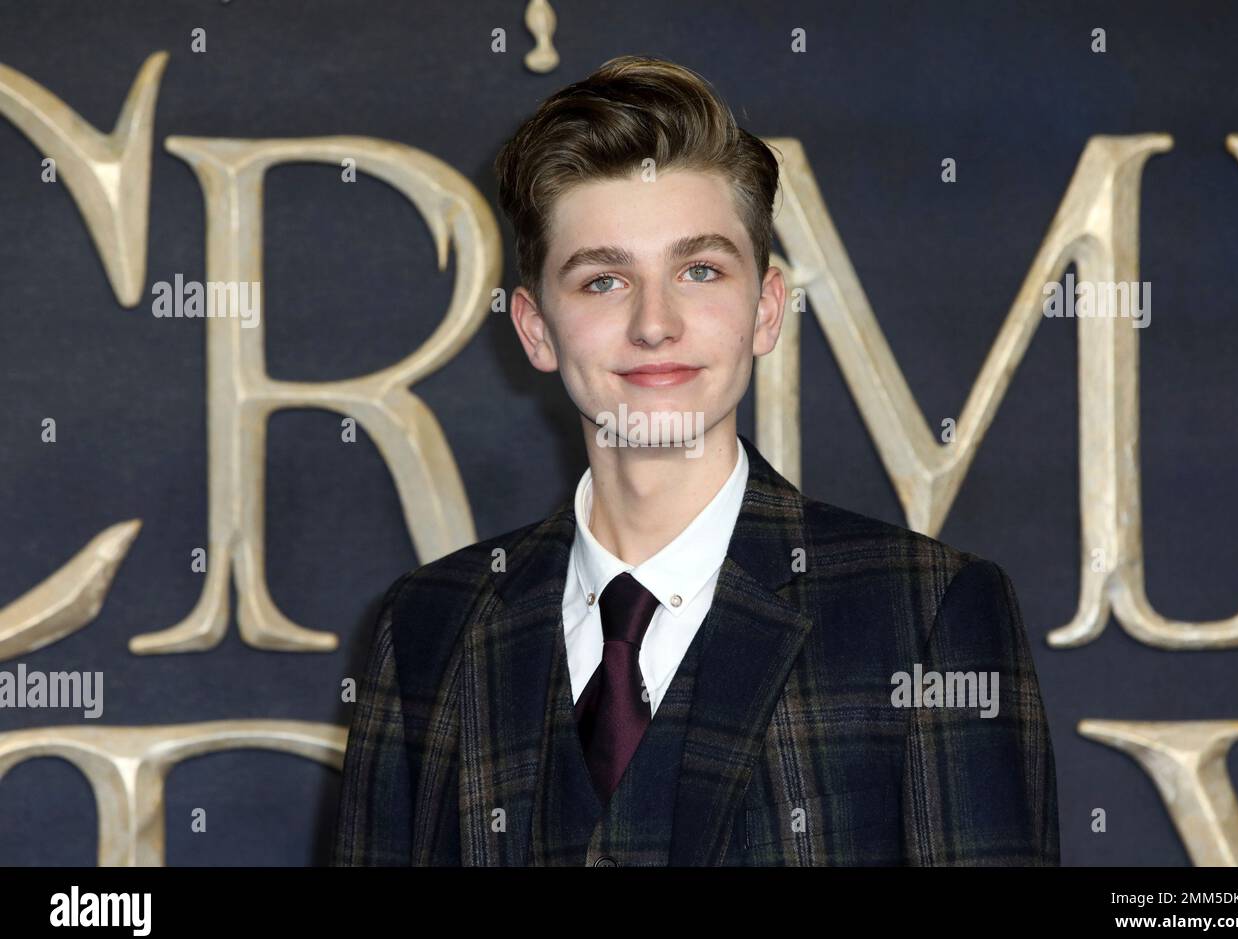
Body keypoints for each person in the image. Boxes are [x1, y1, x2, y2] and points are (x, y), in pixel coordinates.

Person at [332, 54, 1059, 866]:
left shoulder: (925, 614)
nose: (655, 324)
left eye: (700, 270)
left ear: (766, 308)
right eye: (604, 280)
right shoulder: (431, 626)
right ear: (537, 329)